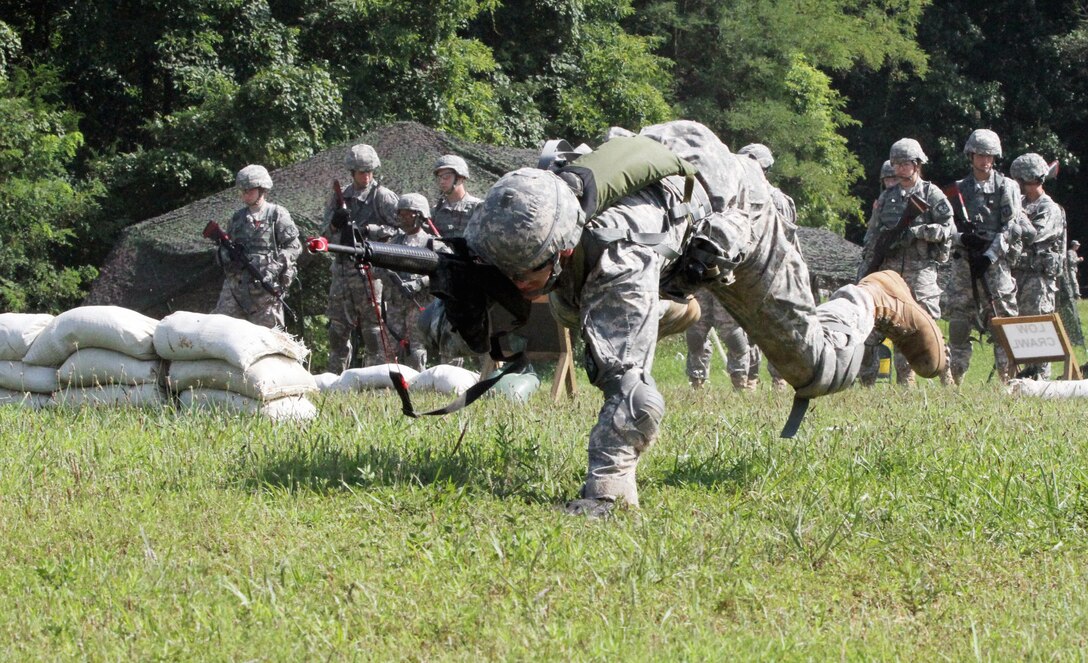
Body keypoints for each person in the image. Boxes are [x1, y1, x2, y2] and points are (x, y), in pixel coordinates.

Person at [462, 120, 946, 515]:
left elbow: (636, 399)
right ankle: (669, 306)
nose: (515, 283)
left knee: (814, 370)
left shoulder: (621, 254)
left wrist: (605, 489)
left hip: (738, 215)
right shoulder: (522, 208)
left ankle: (874, 299)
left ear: (564, 246)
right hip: (677, 205)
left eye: (525, 274)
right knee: (570, 304)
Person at [857, 138, 953, 385]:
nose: (899, 169)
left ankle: (947, 377)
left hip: (920, 270)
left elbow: (948, 229)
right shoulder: (887, 197)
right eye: (896, 164)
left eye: (905, 164)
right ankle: (875, 383)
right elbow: (873, 236)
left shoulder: (931, 194)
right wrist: (866, 270)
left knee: (927, 324)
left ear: (917, 165)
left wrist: (918, 232)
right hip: (890, 273)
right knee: (879, 324)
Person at [946, 129, 1021, 384]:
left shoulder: (1006, 187)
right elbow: (948, 226)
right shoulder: (958, 189)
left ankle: (1007, 380)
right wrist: (962, 239)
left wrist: (989, 255)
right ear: (971, 155)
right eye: (980, 155)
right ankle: (956, 378)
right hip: (964, 262)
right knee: (958, 322)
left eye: (989, 156)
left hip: (994, 261)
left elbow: (1011, 227)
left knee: (1002, 321)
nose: (984, 161)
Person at [322, 144, 399, 373]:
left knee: (374, 331)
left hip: (370, 271)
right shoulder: (339, 198)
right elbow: (324, 235)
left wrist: (370, 231)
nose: (366, 177)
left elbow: (402, 230)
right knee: (337, 330)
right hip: (343, 271)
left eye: (369, 172)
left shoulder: (382, 196)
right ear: (352, 172)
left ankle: (375, 378)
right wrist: (335, 223)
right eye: (361, 172)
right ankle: (335, 378)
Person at [212, 165, 301, 329]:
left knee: (270, 338)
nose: (245, 195)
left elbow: (294, 246)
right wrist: (226, 255)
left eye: (249, 190)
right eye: (243, 191)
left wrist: (276, 266)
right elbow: (224, 247)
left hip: (265, 290)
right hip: (236, 289)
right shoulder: (238, 218)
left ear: (262, 189)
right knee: (219, 330)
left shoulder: (276, 214)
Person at [1010, 153, 1067, 378]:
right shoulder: (1022, 204)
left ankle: (1041, 380)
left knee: (1039, 329)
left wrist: (1016, 215)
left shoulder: (1049, 208)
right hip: (1018, 276)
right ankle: (1025, 375)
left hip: (1039, 280)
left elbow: (1033, 235)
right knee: (1020, 330)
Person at [858, 158, 909, 386]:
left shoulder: (914, 200)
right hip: (881, 272)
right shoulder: (882, 203)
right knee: (870, 331)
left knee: (904, 330)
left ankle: (906, 382)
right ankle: (866, 380)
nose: (891, 183)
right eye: (888, 179)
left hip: (906, 271)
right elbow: (870, 239)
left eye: (895, 178)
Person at [374, 193, 436, 371]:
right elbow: (380, 270)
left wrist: (420, 282)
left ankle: (418, 385)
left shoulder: (431, 243)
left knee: (416, 349)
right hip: (394, 305)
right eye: (400, 214)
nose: (403, 218)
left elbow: (442, 272)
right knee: (386, 347)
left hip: (419, 305)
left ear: (419, 215)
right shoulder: (395, 241)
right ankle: (385, 385)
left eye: (407, 214)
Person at [685, 291, 761, 391]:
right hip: (699, 281)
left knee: (734, 337)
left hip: (727, 283)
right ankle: (696, 385)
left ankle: (744, 384)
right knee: (695, 335)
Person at [432, 154, 483, 238]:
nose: (441, 181)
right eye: (439, 177)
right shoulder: (435, 212)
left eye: (446, 176)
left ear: (460, 177)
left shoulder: (478, 208)